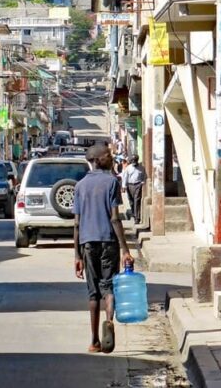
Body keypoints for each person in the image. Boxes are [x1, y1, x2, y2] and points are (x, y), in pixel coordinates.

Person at [73, 145, 134, 355]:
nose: (111, 157)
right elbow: (115, 218)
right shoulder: (111, 182)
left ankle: (94, 341)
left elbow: (76, 223)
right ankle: (109, 322)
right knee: (109, 288)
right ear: (98, 160)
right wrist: (125, 250)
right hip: (108, 241)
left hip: (87, 243)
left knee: (93, 293)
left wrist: (77, 255)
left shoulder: (80, 186)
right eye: (107, 155)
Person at [121, 155, 147, 224]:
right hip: (130, 186)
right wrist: (124, 186)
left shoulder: (141, 168)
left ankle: (137, 218)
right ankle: (133, 213)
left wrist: (142, 182)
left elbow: (144, 176)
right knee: (131, 202)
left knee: (137, 201)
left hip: (138, 185)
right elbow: (125, 177)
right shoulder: (128, 168)